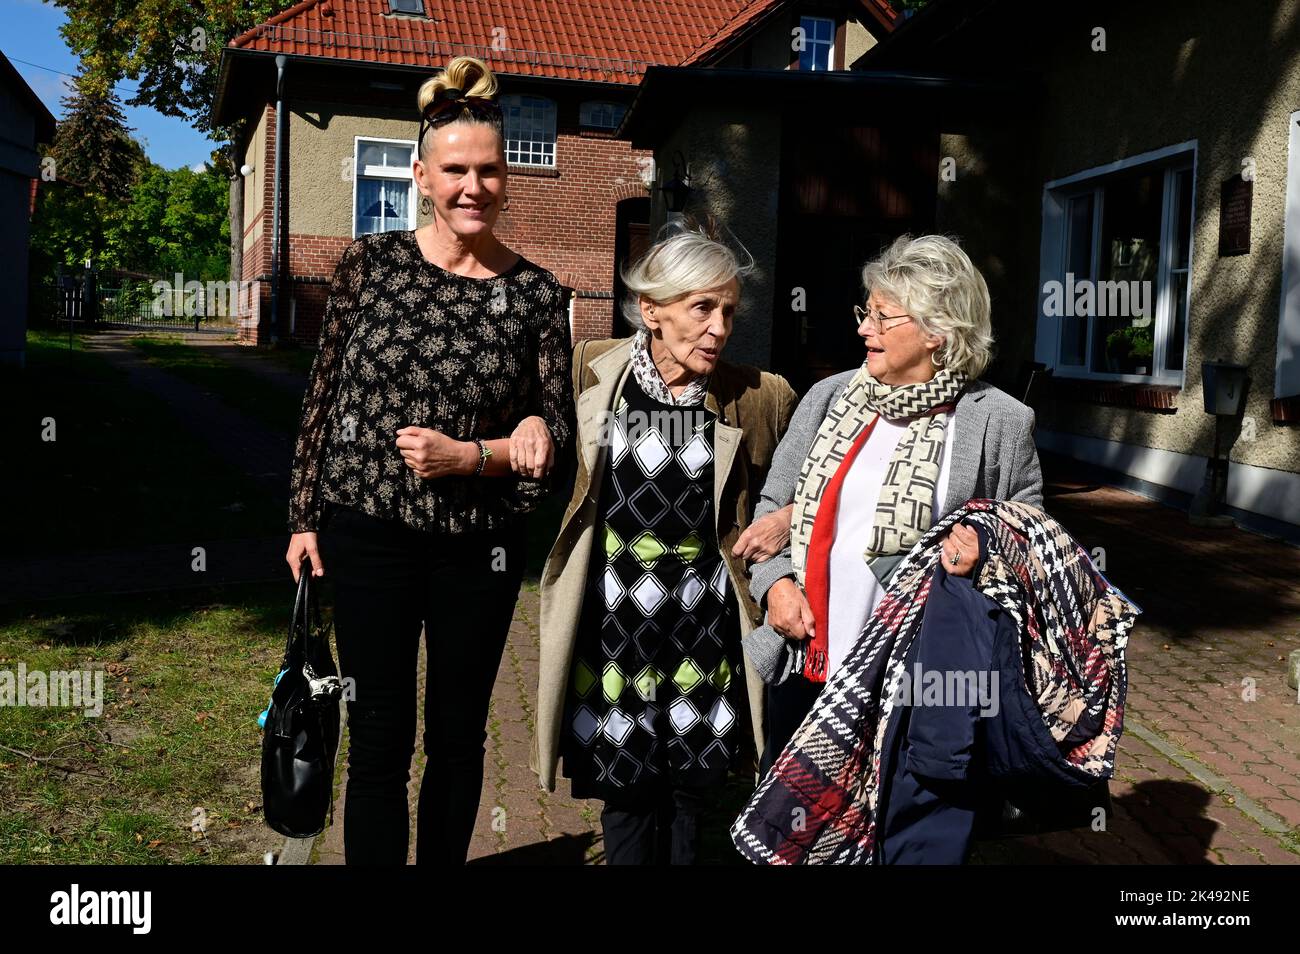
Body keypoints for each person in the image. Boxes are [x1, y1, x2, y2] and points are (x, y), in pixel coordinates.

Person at [284, 56, 575, 864]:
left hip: (475, 548)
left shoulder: (540, 297)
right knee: (378, 732)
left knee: (456, 733)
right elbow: (323, 395)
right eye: (455, 170)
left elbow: (553, 446)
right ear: (421, 175)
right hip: (366, 531)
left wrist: (477, 456)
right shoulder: (367, 266)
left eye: (488, 170)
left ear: (506, 179)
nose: (473, 186)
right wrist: (304, 517)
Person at [531, 222, 797, 864]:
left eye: (729, 311)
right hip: (614, 621)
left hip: (703, 626)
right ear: (650, 310)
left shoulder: (759, 398)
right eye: (701, 308)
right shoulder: (591, 372)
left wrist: (790, 514)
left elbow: (812, 482)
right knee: (623, 791)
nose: (719, 327)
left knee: (688, 792)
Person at [746, 233, 1045, 775]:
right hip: (810, 658)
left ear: (938, 330)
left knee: (892, 828)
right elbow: (774, 505)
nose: (864, 328)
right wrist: (777, 586)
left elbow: (1030, 536)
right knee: (794, 832)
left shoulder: (997, 420)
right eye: (868, 312)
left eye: (884, 317)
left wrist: (986, 545)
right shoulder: (830, 398)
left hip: (916, 679)